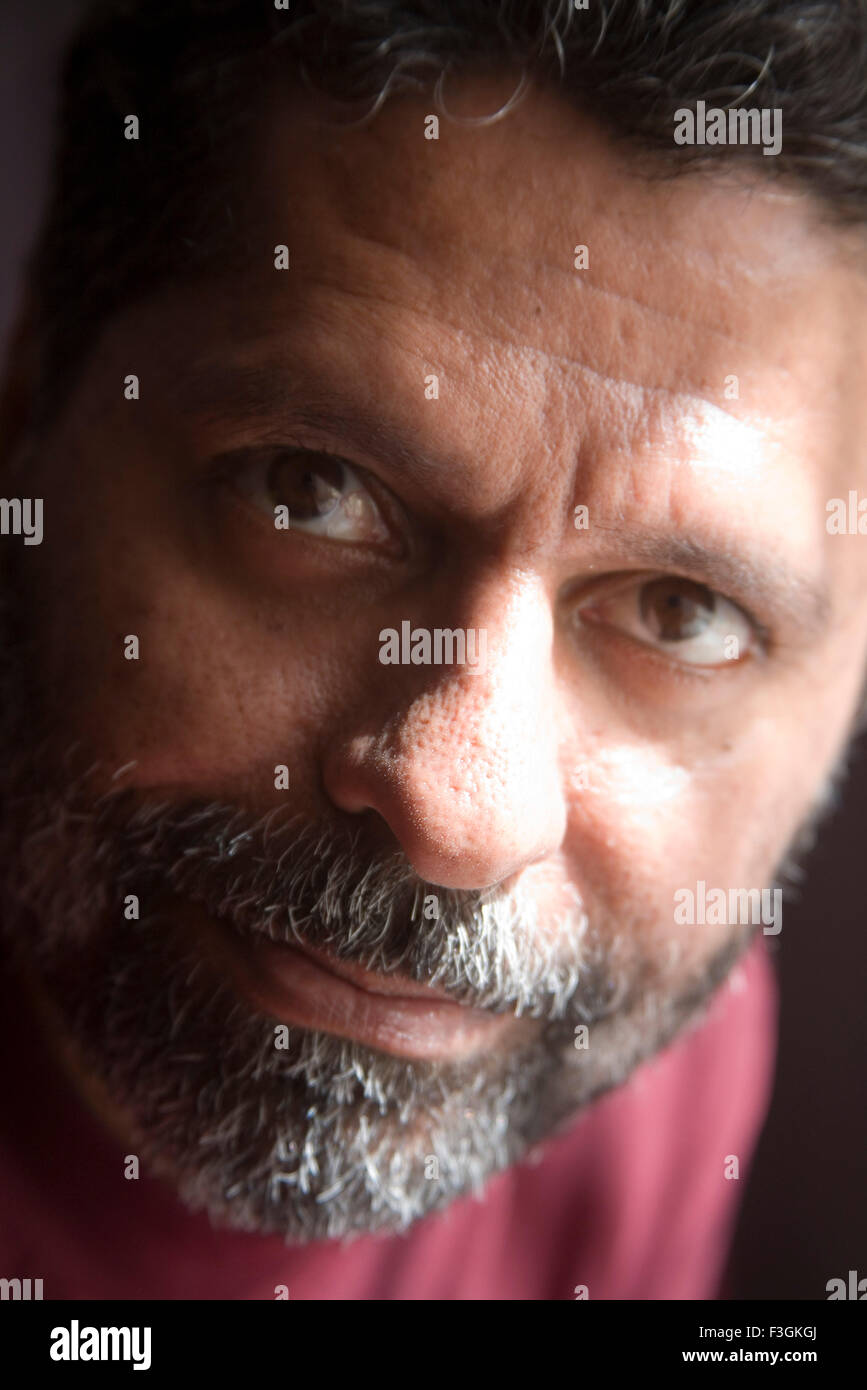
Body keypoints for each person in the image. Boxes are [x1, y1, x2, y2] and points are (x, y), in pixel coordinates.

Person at [0, 0, 865, 1301]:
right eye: (309, 490)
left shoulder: (653, 1074)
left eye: (682, 612)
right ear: (29, 405)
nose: (460, 808)